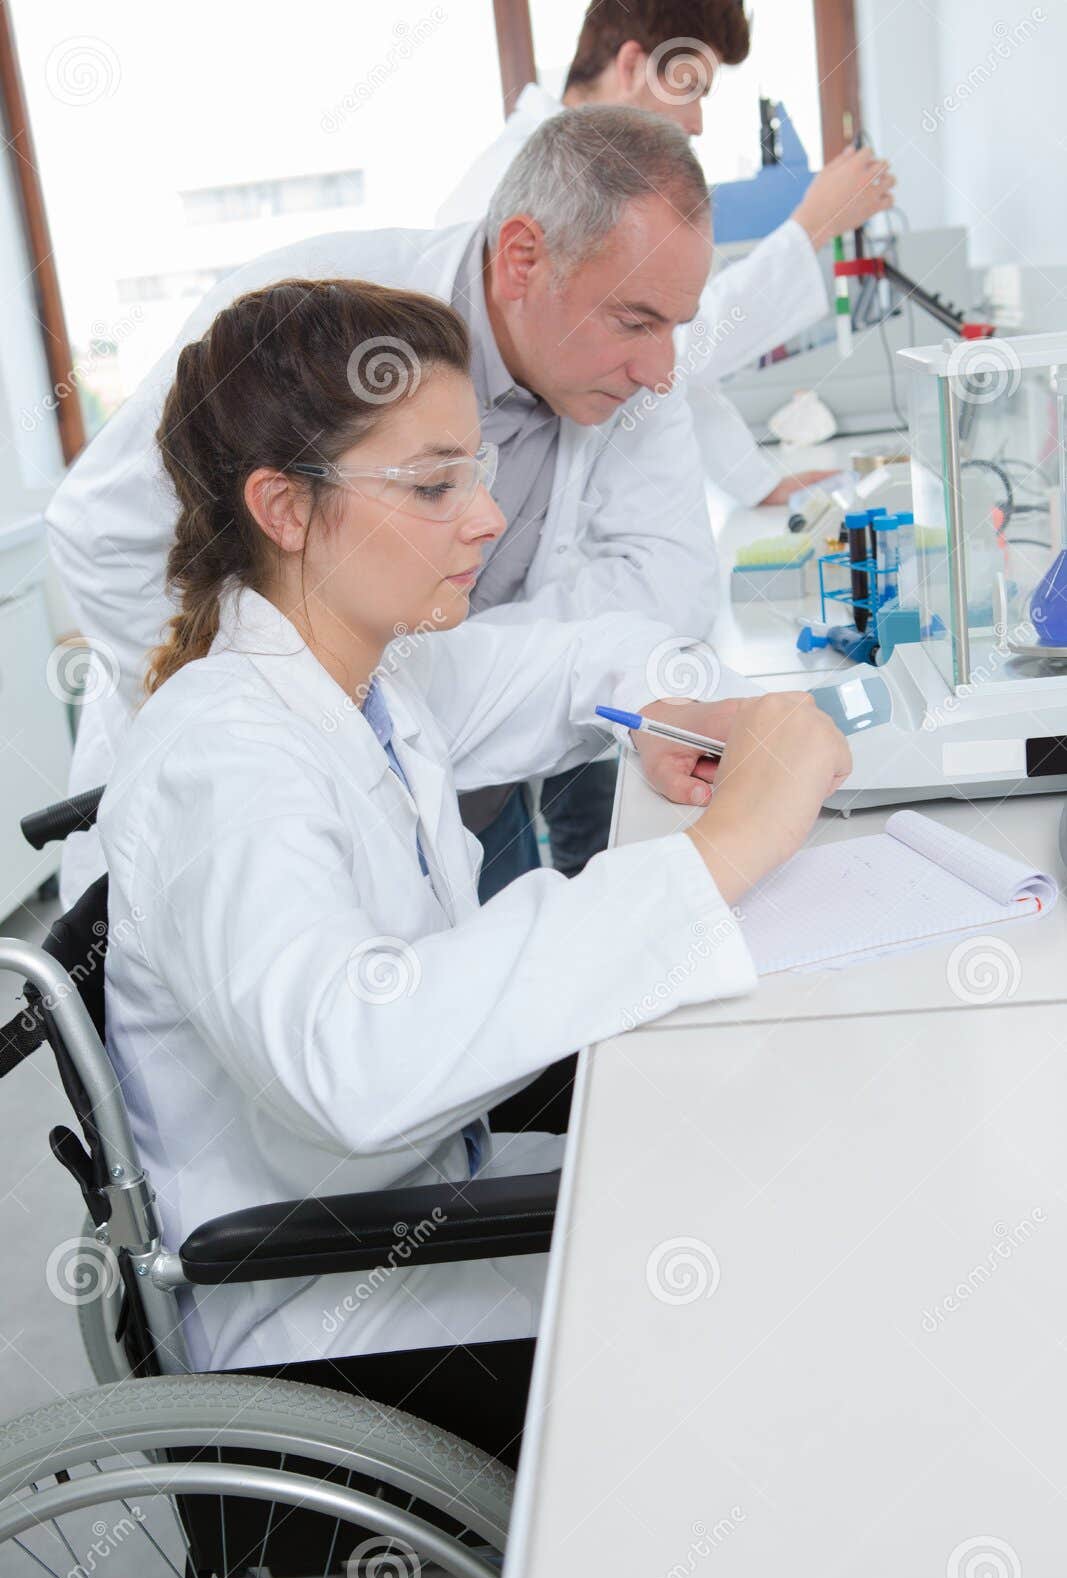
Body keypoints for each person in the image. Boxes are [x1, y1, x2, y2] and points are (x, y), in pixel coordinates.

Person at [97, 276, 850, 1387]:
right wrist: (720, 851)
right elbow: (354, 1063)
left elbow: (564, 663)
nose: (487, 517)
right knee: (767, 1320)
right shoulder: (224, 761)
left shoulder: (374, 671)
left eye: (476, 470)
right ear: (286, 508)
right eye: (433, 483)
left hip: (427, 1221)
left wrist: (665, 704)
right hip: (337, 1320)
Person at [48, 107, 734, 907]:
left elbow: (670, 591)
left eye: (675, 327)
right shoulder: (317, 328)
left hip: (465, 783)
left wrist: (408, 680)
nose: (660, 368)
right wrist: (274, 720)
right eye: (636, 321)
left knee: (474, 980)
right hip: (258, 805)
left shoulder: (626, 378)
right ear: (522, 257)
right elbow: (100, 531)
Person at [437, 0, 896, 510]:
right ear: (632, 66)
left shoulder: (604, 185)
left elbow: (662, 355)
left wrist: (757, 483)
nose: (697, 122)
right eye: (691, 87)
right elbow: (668, 351)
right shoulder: (518, 181)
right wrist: (814, 226)